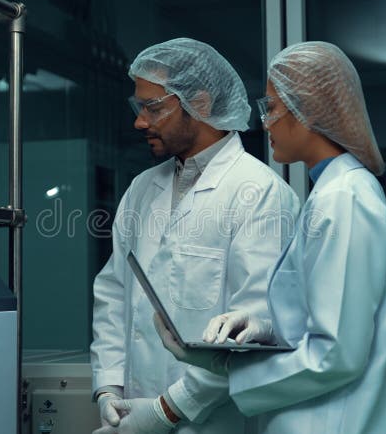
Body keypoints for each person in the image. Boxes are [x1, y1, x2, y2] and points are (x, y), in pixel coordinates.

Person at [154, 41, 386, 434]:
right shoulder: (329, 194)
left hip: (341, 420)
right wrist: (265, 327)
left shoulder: (344, 198)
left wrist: (232, 373)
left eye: (272, 107)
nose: (265, 122)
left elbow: (336, 355)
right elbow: (329, 318)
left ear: (308, 111)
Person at [90, 38, 300, 434]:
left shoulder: (258, 193)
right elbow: (114, 292)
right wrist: (108, 388)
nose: (139, 122)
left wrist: (167, 411)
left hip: (212, 422)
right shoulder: (142, 188)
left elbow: (253, 332)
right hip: (131, 412)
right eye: (139, 108)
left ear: (200, 104)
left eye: (153, 108)